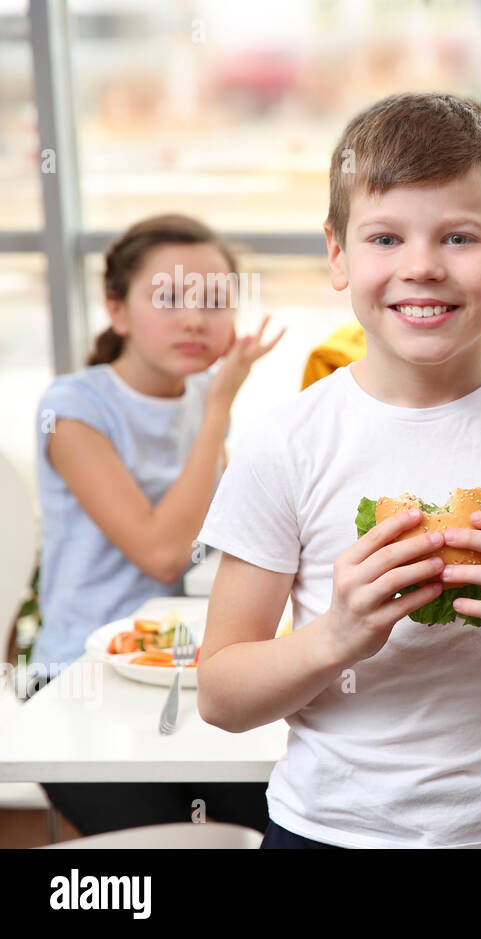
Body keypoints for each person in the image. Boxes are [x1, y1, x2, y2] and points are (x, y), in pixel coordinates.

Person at [194, 92, 481, 849]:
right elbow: (220, 694)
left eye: (458, 237)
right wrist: (337, 635)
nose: (421, 267)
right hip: (327, 833)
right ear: (338, 255)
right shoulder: (287, 441)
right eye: (384, 237)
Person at [32, 213, 282, 836]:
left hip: (173, 674)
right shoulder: (71, 408)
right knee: (172, 837)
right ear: (117, 311)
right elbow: (164, 554)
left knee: (289, 810)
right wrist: (220, 409)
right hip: (76, 679)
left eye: (215, 300)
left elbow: (224, 533)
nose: (195, 319)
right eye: (168, 298)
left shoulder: (199, 398)